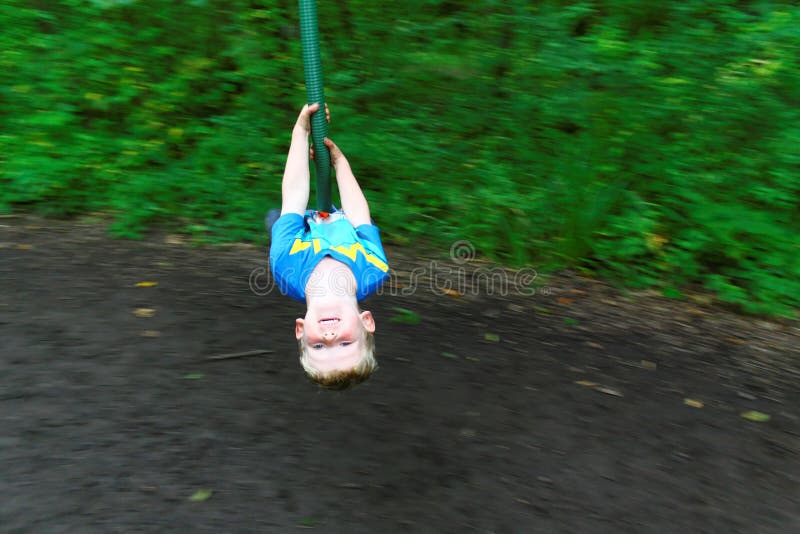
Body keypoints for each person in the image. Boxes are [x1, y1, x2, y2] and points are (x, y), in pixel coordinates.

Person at [268, 103, 390, 389]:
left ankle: (277, 223)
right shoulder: (374, 268)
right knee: (363, 220)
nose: (331, 338)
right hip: (347, 224)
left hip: (303, 230)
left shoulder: (286, 265)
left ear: (300, 330)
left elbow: (295, 193)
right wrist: (339, 164)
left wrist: (301, 131)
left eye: (319, 348)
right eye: (346, 343)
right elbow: (360, 215)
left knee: (283, 218)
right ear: (367, 322)